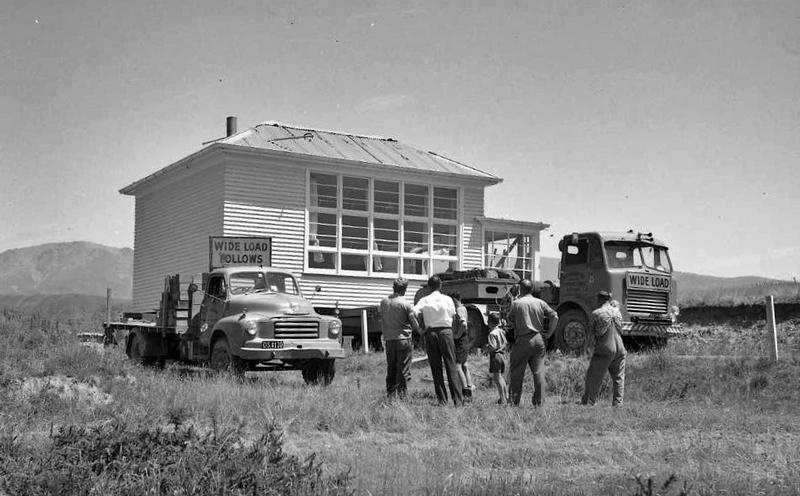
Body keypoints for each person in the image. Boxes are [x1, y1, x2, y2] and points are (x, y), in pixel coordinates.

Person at [412, 276, 464, 406]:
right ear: (440, 286)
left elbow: (412, 313)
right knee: (451, 365)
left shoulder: (424, 300)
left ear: (429, 287)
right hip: (446, 332)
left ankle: (442, 400)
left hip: (431, 333)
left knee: (436, 368)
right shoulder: (448, 299)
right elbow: (453, 315)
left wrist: (419, 329)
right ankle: (458, 400)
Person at [508, 279, 559, 406]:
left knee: (517, 372)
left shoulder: (516, 303)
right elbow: (555, 316)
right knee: (539, 371)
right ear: (531, 289)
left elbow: (510, 321)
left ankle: (514, 401)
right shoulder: (540, 302)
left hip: (523, 339)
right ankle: (539, 402)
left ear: (520, 289)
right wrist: (549, 334)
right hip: (538, 339)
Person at [581, 291, 627, 406]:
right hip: (620, 347)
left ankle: (589, 402)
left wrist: (587, 349)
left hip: (606, 347)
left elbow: (590, 334)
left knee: (594, 375)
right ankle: (618, 404)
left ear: (599, 299)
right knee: (619, 377)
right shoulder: (617, 312)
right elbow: (621, 329)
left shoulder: (597, 313)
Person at [379, 278, 421, 399]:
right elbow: (414, 322)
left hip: (389, 339)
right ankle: (402, 396)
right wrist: (422, 331)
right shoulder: (405, 304)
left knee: (391, 368)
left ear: (393, 287)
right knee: (403, 369)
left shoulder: (384, 302)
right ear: (405, 289)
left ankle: (390, 395)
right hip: (403, 339)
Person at [450, 292, 474, 400]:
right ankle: (469, 388)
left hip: (460, 340)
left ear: (455, 299)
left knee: (458, 366)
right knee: (464, 365)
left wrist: (457, 335)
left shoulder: (459, 309)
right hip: (465, 339)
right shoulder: (463, 308)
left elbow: (463, 324)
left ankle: (465, 391)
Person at [485, 312, 508, 404]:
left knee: (497, 378)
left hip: (496, 356)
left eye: (488, 321)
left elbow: (493, 346)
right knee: (500, 377)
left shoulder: (492, 333)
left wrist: (486, 349)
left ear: (490, 322)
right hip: (503, 355)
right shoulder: (501, 331)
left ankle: (502, 399)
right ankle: (506, 396)